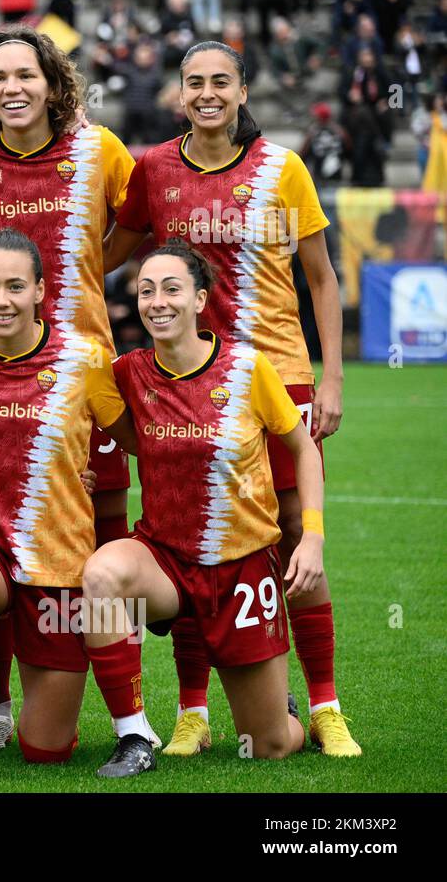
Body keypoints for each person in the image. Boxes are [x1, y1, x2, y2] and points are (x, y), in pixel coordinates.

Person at [105, 41, 359, 757]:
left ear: (243, 91)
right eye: (195, 83)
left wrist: (331, 379)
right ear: (178, 95)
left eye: (222, 82)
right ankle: (192, 710)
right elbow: (106, 256)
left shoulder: (284, 168)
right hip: (183, 384)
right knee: (188, 535)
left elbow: (323, 279)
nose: (208, 93)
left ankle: (324, 705)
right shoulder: (154, 170)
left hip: (275, 374)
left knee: (289, 533)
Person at [0, 26, 136, 749]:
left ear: (55, 84)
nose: (12, 89)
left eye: (27, 75)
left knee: (101, 541)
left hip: (80, 385)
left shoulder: (100, 151)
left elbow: (139, 222)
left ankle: (125, 708)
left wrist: (93, 268)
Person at [82, 245, 322, 776]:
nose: (157, 301)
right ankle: (134, 736)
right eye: (146, 290)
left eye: (171, 289)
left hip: (242, 569)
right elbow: (87, 421)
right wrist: (75, 475)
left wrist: (312, 538)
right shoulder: (126, 373)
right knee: (101, 574)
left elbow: (304, 449)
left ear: (200, 299)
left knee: (271, 746)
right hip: (165, 561)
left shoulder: (246, 369)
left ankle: (289, 714)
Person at [0, 230, 138, 784]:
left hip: (57, 565)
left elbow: (140, 437)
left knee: (47, 750)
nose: (1, 300)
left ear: (41, 289)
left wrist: (81, 471)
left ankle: (33, 718)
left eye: (16, 286)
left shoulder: (85, 359)